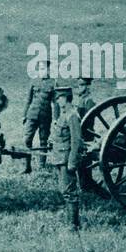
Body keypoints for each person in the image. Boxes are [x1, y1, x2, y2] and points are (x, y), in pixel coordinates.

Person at [46, 86, 84, 230]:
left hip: (66, 159)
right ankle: (72, 222)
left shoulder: (72, 115)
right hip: (59, 157)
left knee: (70, 192)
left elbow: (76, 141)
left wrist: (72, 162)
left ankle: (73, 224)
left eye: (59, 98)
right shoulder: (64, 114)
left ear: (66, 98)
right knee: (65, 190)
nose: (57, 101)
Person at [22, 62, 54, 174]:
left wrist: (56, 119)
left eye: (44, 68)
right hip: (32, 115)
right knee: (27, 140)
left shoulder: (53, 83)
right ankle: (27, 166)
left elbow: (56, 103)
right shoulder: (34, 81)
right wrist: (24, 115)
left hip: (45, 116)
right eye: (40, 68)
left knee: (43, 141)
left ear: (49, 69)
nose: (42, 71)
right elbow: (28, 100)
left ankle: (42, 166)